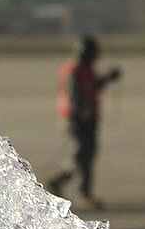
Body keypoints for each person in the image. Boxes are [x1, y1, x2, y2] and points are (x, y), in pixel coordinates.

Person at [46, 34, 121, 207]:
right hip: (77, 119)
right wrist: (81, 114)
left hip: (84, 118)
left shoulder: (85, 69)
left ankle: (62, 181)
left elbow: (94, 87)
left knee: (82, 155)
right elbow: (75, 96)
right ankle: (83, 193)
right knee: (83, 155)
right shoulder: (75, 71)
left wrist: (108, 78)